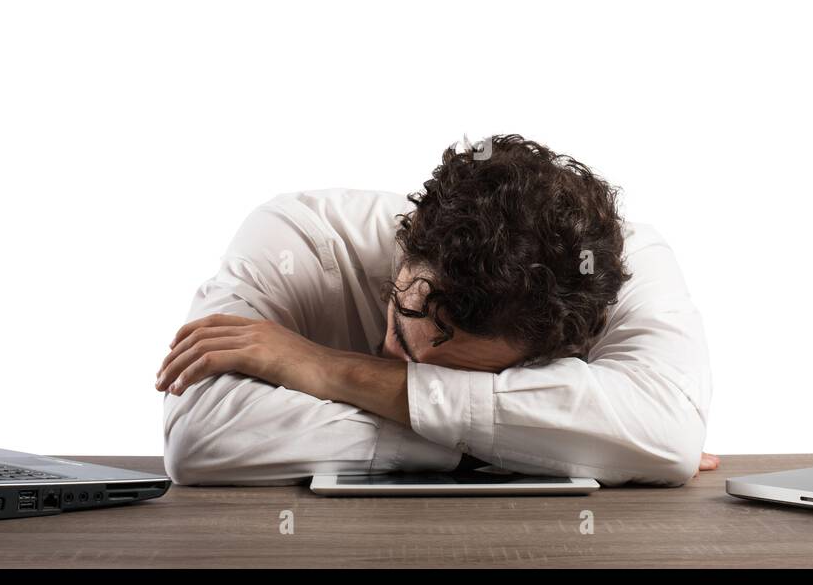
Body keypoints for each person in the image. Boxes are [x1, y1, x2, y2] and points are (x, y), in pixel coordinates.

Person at [156, 135, 715, 486]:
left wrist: (330, 370)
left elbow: (666, 435)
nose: (408, 366)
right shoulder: (297, 236)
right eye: (402, 330)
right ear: (407, 249)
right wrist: (560, 443)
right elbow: (200, 440)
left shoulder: (625, 262)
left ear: (563, 345)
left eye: (459, 372)